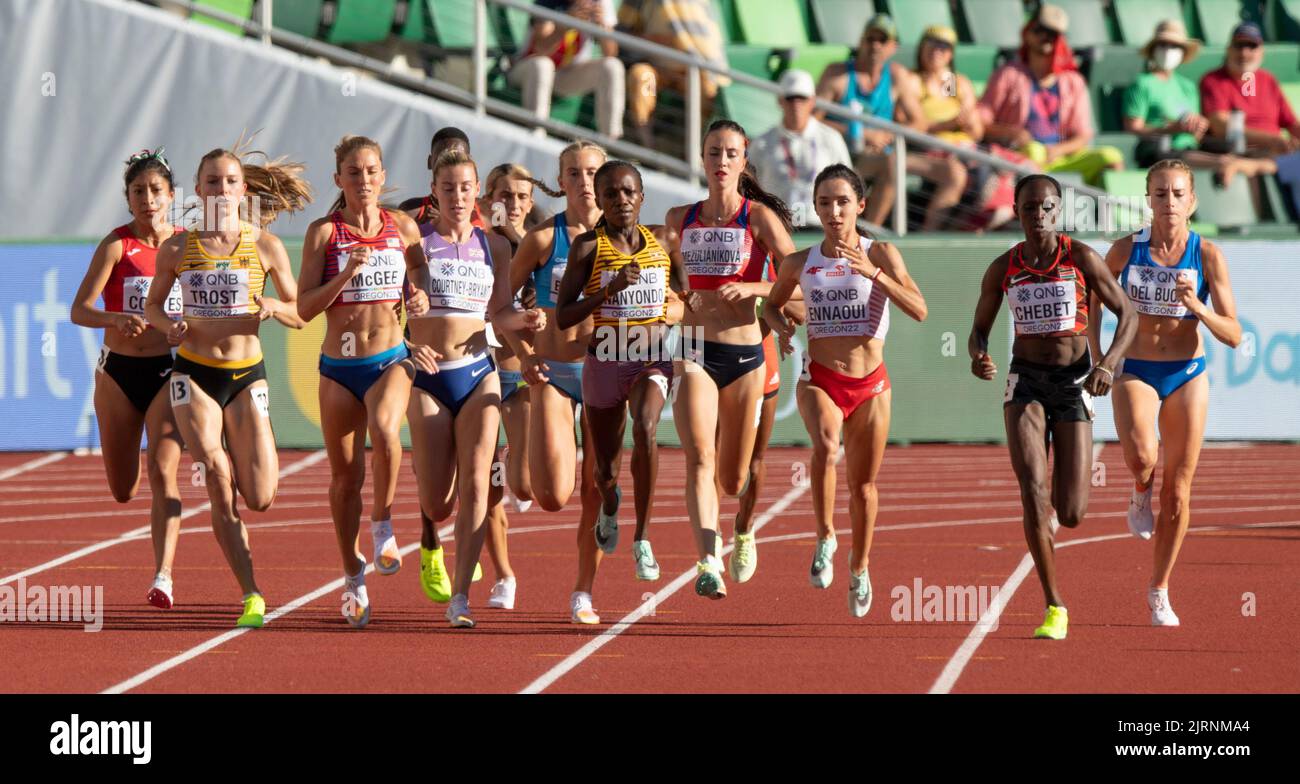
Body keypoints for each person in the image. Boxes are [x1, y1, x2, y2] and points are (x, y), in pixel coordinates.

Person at [144, 143, 312, 628]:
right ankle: (251, 594)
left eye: (230, 182)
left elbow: (300, 312)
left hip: (246, 377)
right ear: (197, 191)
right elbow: (155, 306)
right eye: (212, 182)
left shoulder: (264, 246)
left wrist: (273, 308)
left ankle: (242, 471)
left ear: (244, 190)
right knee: (217, 476)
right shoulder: (177, 248)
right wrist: (166, 326)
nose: (221, 189)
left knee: (259, 496)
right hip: (194, 374)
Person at [968, 174, 1136, 640]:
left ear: (1057, 211)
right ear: (1018, 212)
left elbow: (1129, 313)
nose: (1037, 216)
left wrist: (1107, 365)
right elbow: (979, 327)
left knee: (1071, 511)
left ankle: (1066, 493)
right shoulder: (1004, 266)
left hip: (1075, 381)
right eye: (1028, 208)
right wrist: (978, 354)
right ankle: (1054, 604)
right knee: (1032, 491)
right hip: (1025, 382)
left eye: (1046, 208)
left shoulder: (1080, 257)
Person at [765, 164, 927, 615]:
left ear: (860, 205)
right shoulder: (800, 262)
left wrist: (875, 275)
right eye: (824, 203)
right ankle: (824, 537)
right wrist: (781, 329)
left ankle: (860, 566)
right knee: (825, 443)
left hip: (872, 385)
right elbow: (772, 308)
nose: (833, 212)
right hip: (821, 377)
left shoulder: (883, 253)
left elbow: (919, 309)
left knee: (864, 487)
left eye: (841, 202)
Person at [1089, 160, 1242, 626]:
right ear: (1148, 200)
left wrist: (1196, 305)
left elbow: (1233, 334)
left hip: (1187, 372)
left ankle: (1159, 589)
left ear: (1192, 201)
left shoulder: (1208, 255)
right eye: (1160, 194)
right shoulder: (1123, 250)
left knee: (1178, 492)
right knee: (1141, 455)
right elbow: (1093, 299)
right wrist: (1101, 356)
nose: (1169, 202)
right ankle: (1138, 490)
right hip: (1135, 367)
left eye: (1178, 194)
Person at [297, 136, 436, 627]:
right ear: (339, 180)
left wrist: (417, 299)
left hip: (389, 358)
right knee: (343, 480)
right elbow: (304, 307)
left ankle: (382, 523)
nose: (363, 181)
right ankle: (352, 575)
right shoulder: (323, 234)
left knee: (385, 427)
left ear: (382, 175)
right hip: (339, 367)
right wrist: (344, 276)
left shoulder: (401, 226)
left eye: (371, 171)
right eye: (353, 173)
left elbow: (418, 275)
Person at [404, 149, 547, 628]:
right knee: (436, 502)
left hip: (477, 372)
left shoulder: (496, 246)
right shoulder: (415, 242)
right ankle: (438, 539)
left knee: (476, 486)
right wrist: (407, 345)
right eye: (449, 188)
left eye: (466, 188)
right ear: (436, 191)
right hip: (427, 377)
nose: (459, 197)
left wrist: (525, 321)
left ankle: (460, 596)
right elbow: (385, 310)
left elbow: (499, 314)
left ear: (476, 193)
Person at [664, 119, 796, 597]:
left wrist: (757, 289)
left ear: (743, 163)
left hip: (745, 355)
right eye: (713, 152)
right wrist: (677, 298)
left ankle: (742, 527)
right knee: (699, 456)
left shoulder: (757, 218)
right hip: (695, 350)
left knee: (734, 477)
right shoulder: (680, 218)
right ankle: (707, 561)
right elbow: (659, 277)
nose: (721, 161)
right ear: (702, 159)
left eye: (730, 153)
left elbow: (797, 278)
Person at [554, 159, 690, 622]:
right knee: (606, 471)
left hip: (651, 356)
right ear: (600, 200)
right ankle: (610, 505)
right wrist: (607, 290)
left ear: (642, 195)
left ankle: (643, 540)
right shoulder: (587, 248)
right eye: (610, 194)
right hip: (605, 360)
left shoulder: (665, 240)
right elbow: (564, 316)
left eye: (628, 192)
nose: (621, 201)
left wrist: (679, 308)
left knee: (647, 427)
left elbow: (685, 294)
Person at [71, 148, 186, 610]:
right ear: (129, 198)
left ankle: (164, 576)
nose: (148, 199)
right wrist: (115, 318)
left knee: (165, 471)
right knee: (124, 490)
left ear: (171, 196)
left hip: (167, 370)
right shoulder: (117, 245)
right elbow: (79, 310)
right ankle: (130, 478)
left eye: (156, 191)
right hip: (118, 374)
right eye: (139, 192)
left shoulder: (185, 245)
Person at [509, 141, 608, 623]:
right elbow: (497, 308)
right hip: (552, 372)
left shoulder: (632, 239)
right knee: (551, 496)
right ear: (562, 180)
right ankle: (521, 447)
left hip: (605, 372)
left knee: (597, 488)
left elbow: (671, 299)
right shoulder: (544, 240)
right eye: (575, 173)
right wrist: (524, 354)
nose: (585, 181)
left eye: (593, 172)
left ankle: (583, 593)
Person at [479, 162, 548, 609]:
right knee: (487, 486)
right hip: (478, 368)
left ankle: (511, 457)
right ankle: (503, 576)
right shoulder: (477, 242)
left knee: (524, 486)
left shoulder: (540, 246)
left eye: (522, 197)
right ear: (489, 200)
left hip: (519, 373)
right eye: (505, 196)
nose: (514, 204)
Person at [979, 4, 1124, 186]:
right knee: (1034, 151)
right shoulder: (1007, 74)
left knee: (1111, 156)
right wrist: (1012, 133)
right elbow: (980, 123)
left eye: (1052, 33)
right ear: (1027, 32)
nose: (1044, 37)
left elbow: (1083, 135)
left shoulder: (1073, 82)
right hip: (1020, 156)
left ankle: (1102, 212)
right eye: (1039, 30)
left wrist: (1057, 150)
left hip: (1062, 157)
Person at [815, 13, 925, 228]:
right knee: (892, 164)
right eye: (870, 39)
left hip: (881, 153)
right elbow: (809, 121)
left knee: (954, 173)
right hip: (842, 155)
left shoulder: (896, 76)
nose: (875, 45)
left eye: (882, 40)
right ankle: (866, 233)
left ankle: (872, 234)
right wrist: (858, 132)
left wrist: (887, 136)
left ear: (893, 47)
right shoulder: (837, 74)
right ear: (861, 42)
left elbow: (919, 122)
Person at [1199, 22, 1300, 205]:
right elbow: (1220, 126)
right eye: (1239, 45)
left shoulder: (1268, 80)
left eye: (1251, 46)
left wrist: (1280, 142)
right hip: (1243, 150)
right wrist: (1271, 139)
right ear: (1229, 49)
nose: (1245, 53)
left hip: (1276, 152)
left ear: (1261, 51)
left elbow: (1292, 123)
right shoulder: (1213, 80)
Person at [617, 0, 729, 149]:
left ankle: (694, 151)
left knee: (707, 87)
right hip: (654, 68)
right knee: (641, 76)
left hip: (692, 73)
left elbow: (709, 45)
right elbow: (621, 32)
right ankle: (647, 147)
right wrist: (650, 41)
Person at [508, 0, 625, 140]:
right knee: (543, 64)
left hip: (566, 76)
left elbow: (611, 53)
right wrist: (566, 23)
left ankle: (611, 141)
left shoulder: (601, 3)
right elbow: (541, 50)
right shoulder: (548, 2)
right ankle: (536, 136)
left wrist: (603, 28)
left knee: (612, 66)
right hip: (527, 69)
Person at [906, 25, 984, 231]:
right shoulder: (913, 80)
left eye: (944, 47)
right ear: (921, 48)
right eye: (931, 44)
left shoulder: (953, 82)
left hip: (964, 149)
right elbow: (912, 125)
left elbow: (976, 131)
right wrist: (949, 124)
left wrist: (968, 122)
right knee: (964, 173)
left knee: (994, 175)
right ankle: (929, 236)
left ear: (951, 53)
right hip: (930, 150)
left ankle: (970, 227)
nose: (937, 51)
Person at [750, 69, 853, 225]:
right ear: (780, 101)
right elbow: (749, 188)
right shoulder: (762, 143)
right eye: (790, 98)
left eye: (802, 98)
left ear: (812, 101)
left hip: (822, 226)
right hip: (775, 226)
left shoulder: (831, 139)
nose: (796, 104)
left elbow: (848, 186)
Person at [398, 127, 488, 227]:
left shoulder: (486, 210)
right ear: (429, 162)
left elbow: (507, 242)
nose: (451, 163)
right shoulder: (411, 211)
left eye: (459, 157)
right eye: (442, 158)